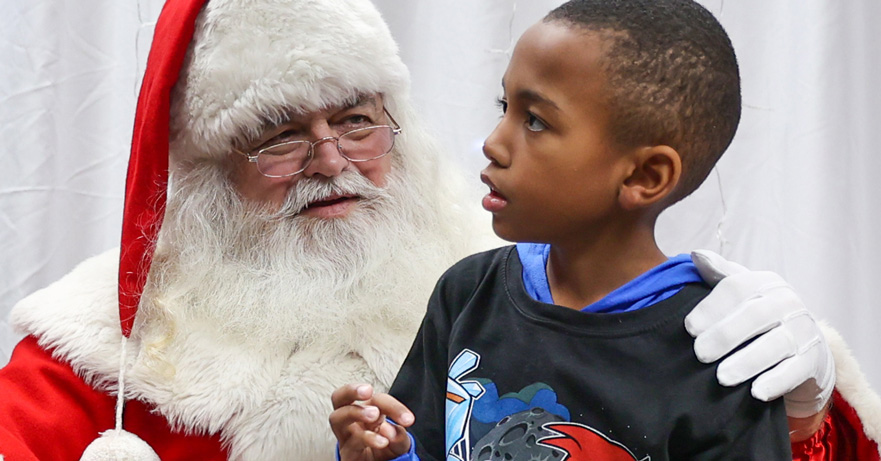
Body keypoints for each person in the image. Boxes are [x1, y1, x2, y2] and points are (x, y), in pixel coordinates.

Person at [0, 0, 866, 459]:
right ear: (203, 176)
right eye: (277, 137)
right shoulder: (94, 359)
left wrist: (806, 417)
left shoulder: (496, 264)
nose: (331, 160)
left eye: (356, 120)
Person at [329, 1, 881, 460]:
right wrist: (383, 449)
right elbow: (420, 446)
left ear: (645, 175)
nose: (494, 143)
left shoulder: (724, 358)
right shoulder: (466, 292)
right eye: (505, 106)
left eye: (537, 121)